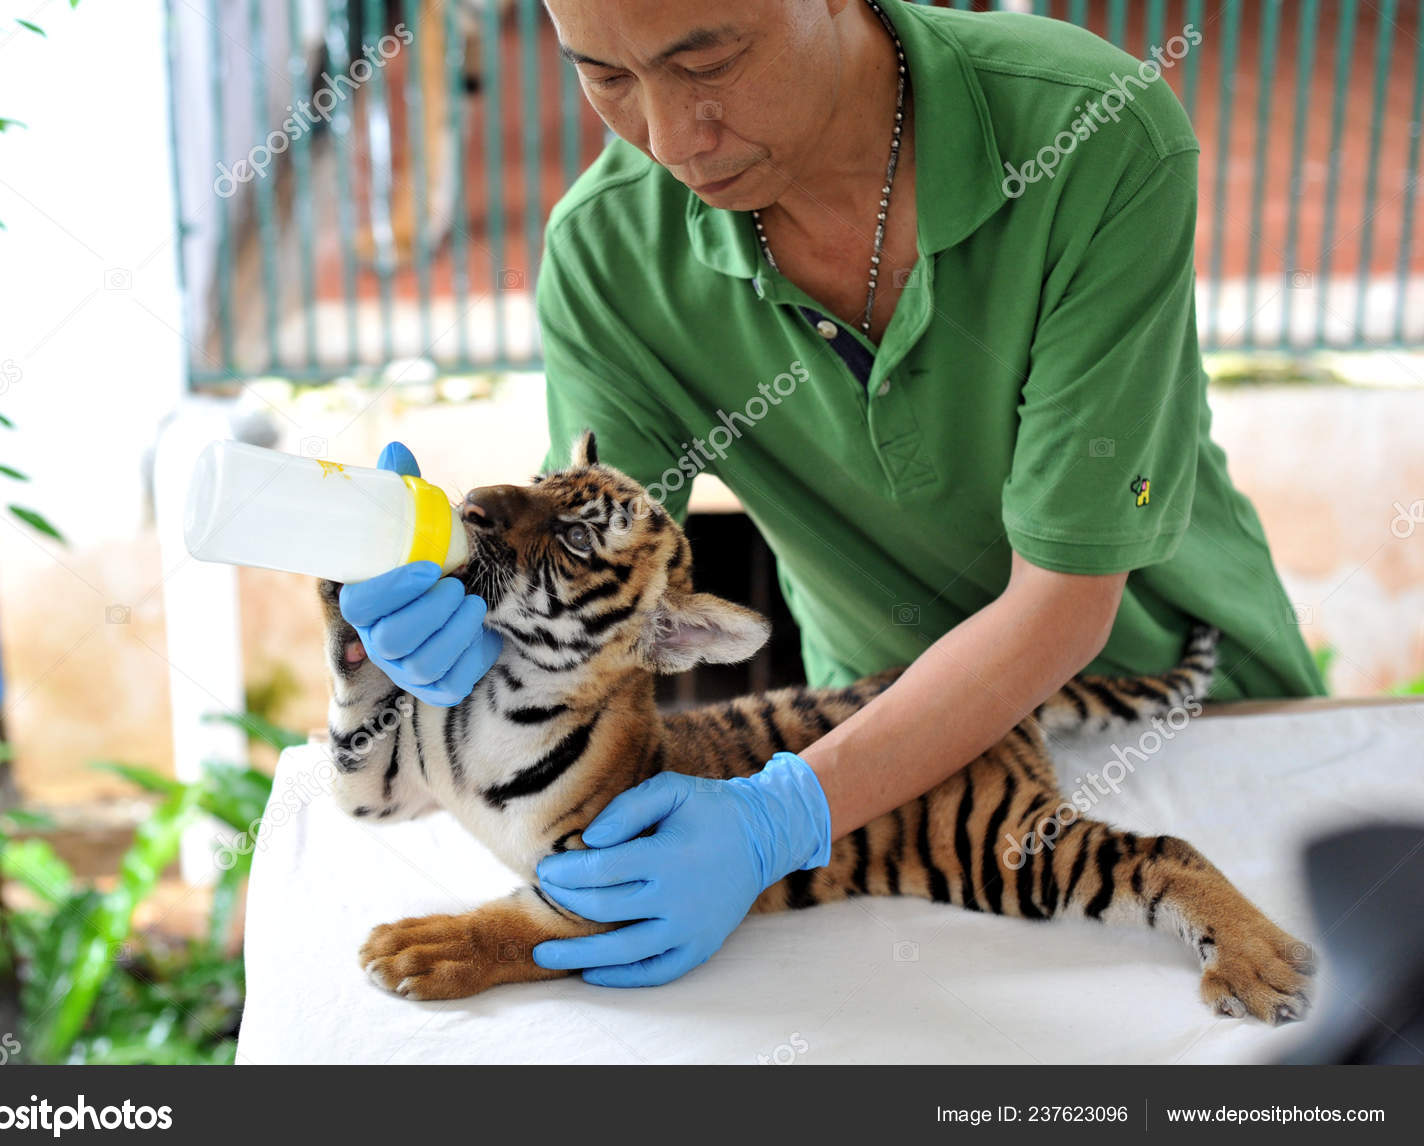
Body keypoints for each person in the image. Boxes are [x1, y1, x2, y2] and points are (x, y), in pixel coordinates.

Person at [339, 0, 1327, 990]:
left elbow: (1064, 600)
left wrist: (779, 819)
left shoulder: (1091, 129)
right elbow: (614, 582)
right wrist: (462, 613)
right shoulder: (607, 253)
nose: (673, 138)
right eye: (605, 78)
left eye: (708, 61)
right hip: (871, 755)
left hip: (1188, 708)